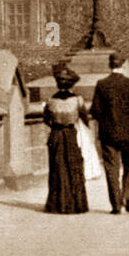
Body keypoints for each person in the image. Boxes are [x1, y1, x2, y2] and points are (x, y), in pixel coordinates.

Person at [90, 51, 129, 215]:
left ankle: (115, 204)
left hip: (108, 134)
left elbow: (95, 111)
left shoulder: (102, 84)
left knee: (111, 169)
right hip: (128, 134)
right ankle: (127, 198)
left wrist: (106, 120)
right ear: (123, 65)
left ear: (110, 65)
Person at [42, 63, 89, 215]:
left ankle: (57, 204)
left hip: (56, 135)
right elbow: (85, 118)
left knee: (57, 168)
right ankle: (75, 204)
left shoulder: (51, 101)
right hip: (70, 135)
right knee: (73, 167)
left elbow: (46, 119)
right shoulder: (77, 100)